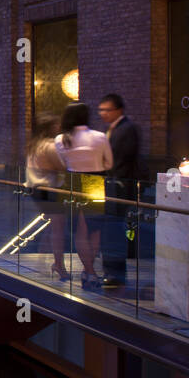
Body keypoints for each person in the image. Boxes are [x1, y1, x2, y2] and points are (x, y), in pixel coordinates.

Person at [56, 102, 113, 292]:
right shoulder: (99, 136)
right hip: (96, 182)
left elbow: (62, 163)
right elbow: (109, 163)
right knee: (95, 229)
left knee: (80, 229)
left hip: (73, 183)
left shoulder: (61, 139)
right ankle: (90, 271)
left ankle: (89, 272)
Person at [96, 94, 140, 290]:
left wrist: (114, 178)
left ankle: (116, 274)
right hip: (112, 187)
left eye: (107, 110)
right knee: (111, 230)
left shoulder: (127, 129)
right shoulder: (113, 129)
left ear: (118, 110)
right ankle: (112, 273)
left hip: (119, 188)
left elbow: (122, 160)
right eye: (101, 110)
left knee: (114, 230)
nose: (103, 114)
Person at [26, 114, 68, 280]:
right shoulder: (49, 146)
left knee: (52, 225)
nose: (59, 127)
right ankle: (58, 264)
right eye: (56, 124)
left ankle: (42, 258)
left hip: (35, 189)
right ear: (50, 127)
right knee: (58, 227)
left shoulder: (33, 145)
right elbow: (62, 166)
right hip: (49, 189)